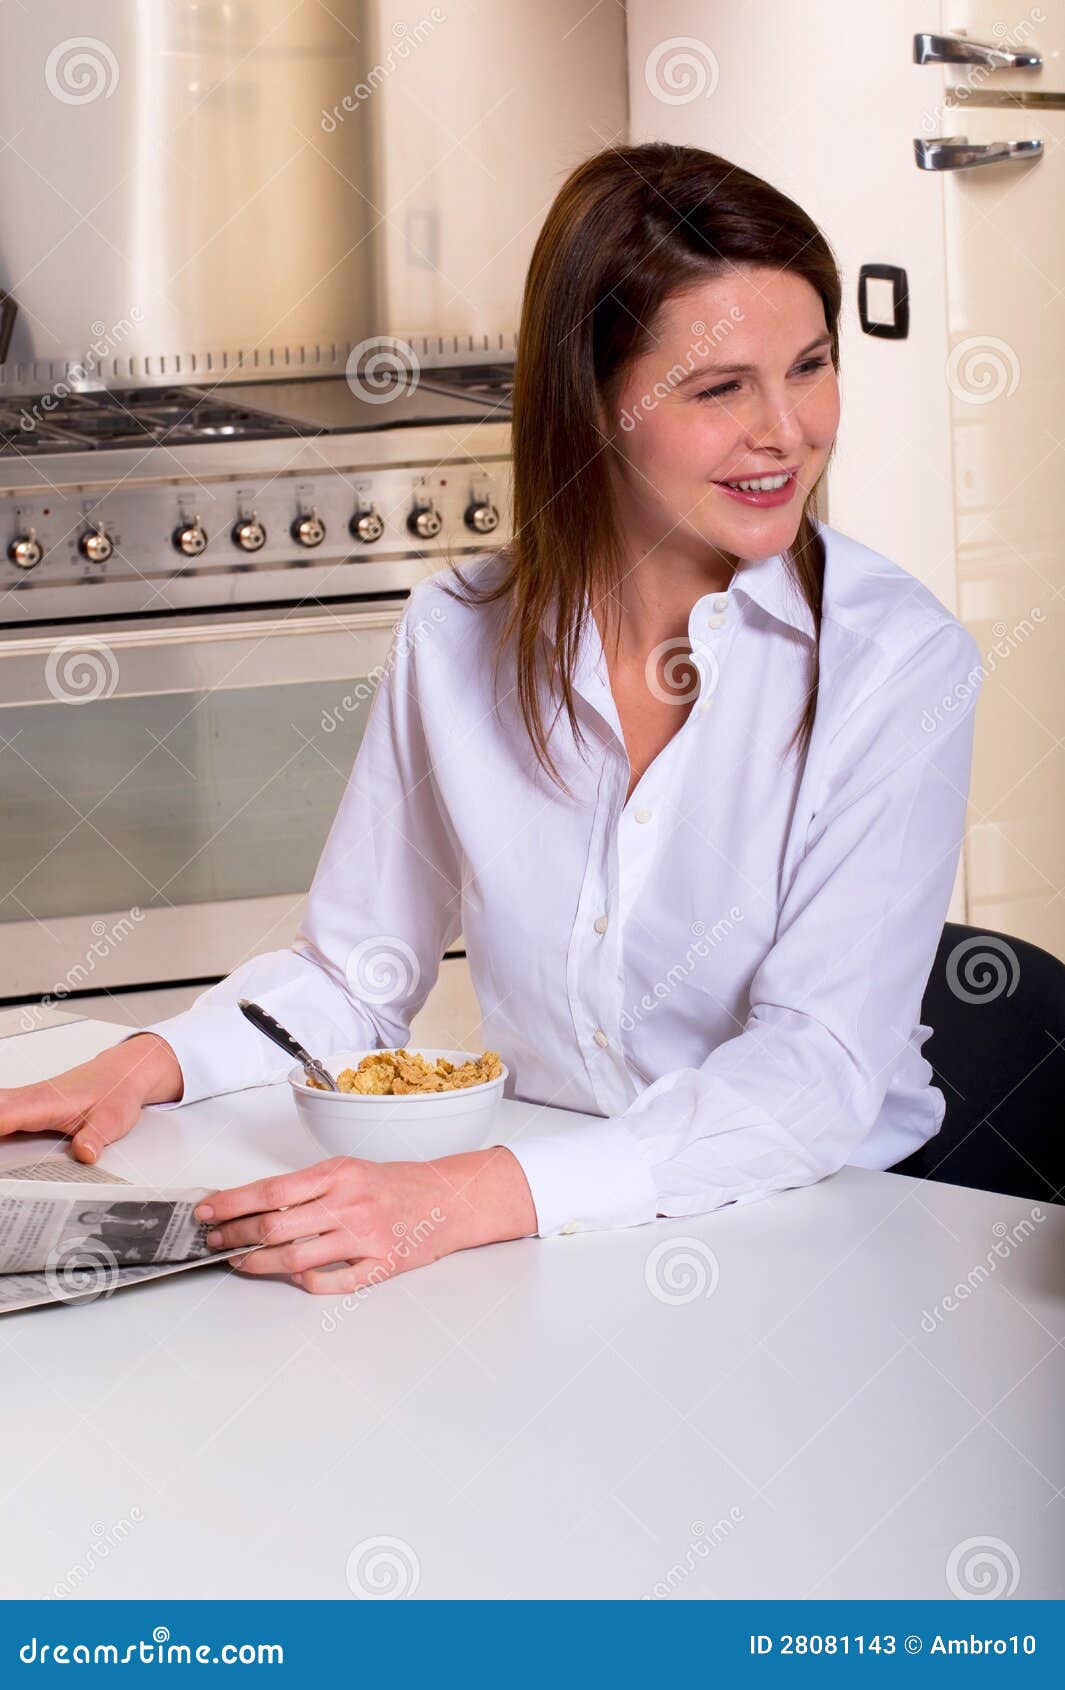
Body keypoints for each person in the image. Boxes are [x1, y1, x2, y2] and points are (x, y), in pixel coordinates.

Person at [0, 143, 982, 1294]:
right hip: (561, 1232)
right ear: (597, 400)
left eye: (810, 368)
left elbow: (816, 1072)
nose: (789, 431)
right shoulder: (459, 632)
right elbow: (357, 972)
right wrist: (150, 1061)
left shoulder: (894, 663)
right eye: (720, 388)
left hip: (827, 1235)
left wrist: (469, 1198)